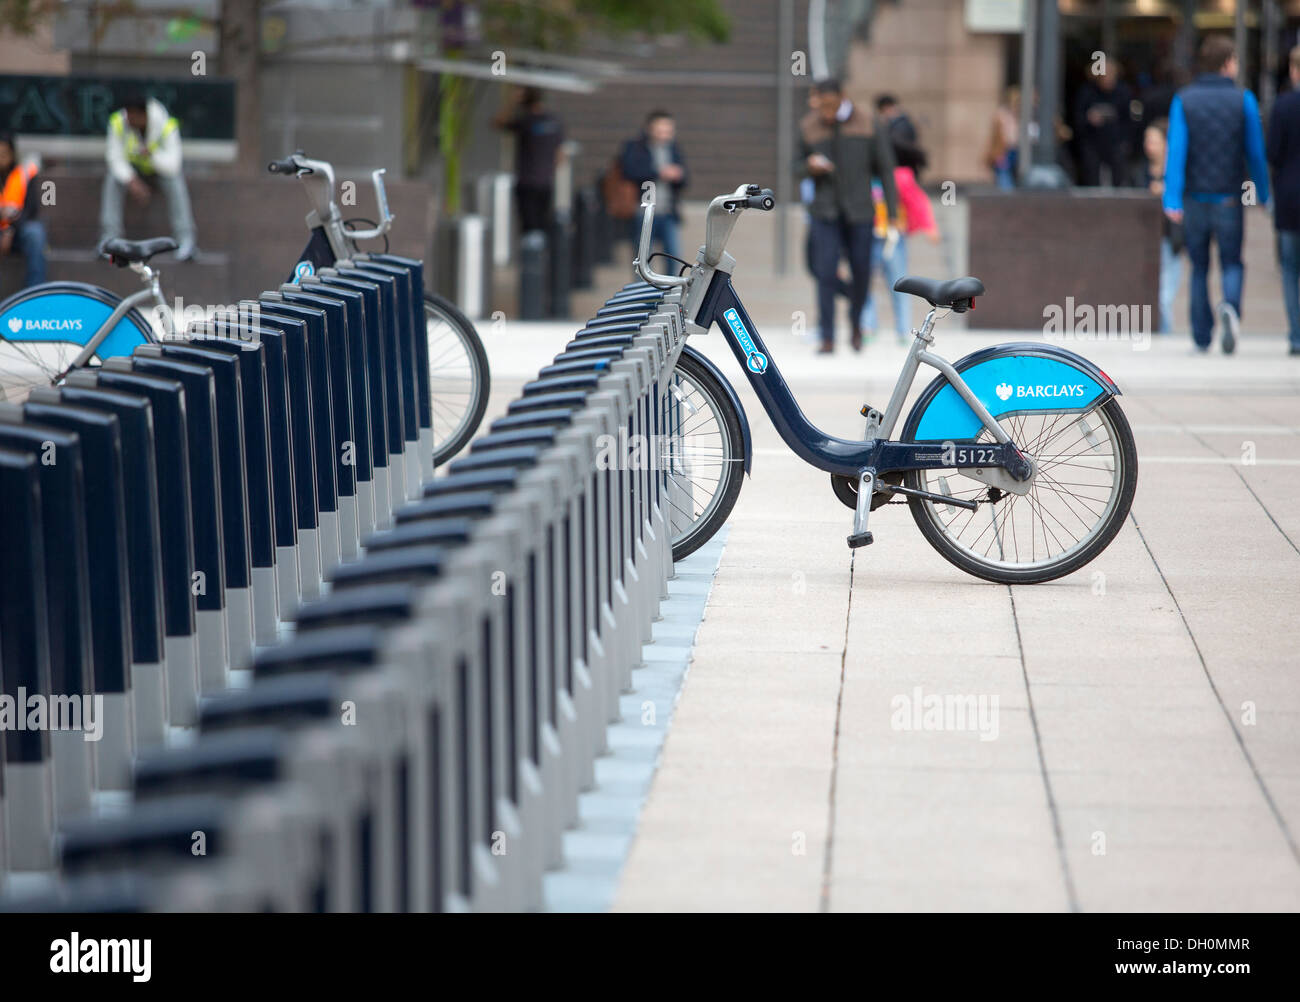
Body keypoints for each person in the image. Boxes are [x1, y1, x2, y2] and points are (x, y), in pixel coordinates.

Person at [1164, 35, 1270, 354]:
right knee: (1232, 262)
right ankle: (1231, 308)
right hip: (1228, 198)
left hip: (1194, 198)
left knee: (1199, 267)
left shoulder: (1183, 100)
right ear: (1226, 63)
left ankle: (1201, 335)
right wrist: (1263, 192)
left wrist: (1172, 198)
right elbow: (1255, 153)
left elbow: (1176, 152)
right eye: (1235, 60)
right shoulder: (1244, 99)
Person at [798, 78, 898, 354]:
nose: (825, 111)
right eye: (820, 105)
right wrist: (809, 166)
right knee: (824, 272)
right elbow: (794, 166)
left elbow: (886, 168)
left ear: (841, 97)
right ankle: (827, 336)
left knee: (862, 271)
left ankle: (856, 325)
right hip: (825, 211)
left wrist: (892, 213)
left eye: (829, 104)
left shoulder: (868, 122)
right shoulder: (809, 125)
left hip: (860, 210)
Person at [100, 92, 197, 260]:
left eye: (133, 116)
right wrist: (131, 180)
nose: (128, 120)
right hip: (132, 171)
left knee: (176, 182)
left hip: (159, 171)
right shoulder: (118, 122)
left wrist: (151, 156)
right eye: (127, 114)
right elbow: (114, 158)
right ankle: (109, 240)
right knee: (112, 179)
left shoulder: (166, 124)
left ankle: (186, 240)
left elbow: (173, 165)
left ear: (143, 115)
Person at [493, 86, 565, 235]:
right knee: (542, 226)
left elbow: (497, 123)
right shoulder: (554, 122)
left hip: (527, 182)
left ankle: (531, 247)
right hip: (546, 182)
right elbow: (560, 157)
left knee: (529, 227)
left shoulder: (525, 122)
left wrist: (511, 102)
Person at [619, 110, 688, 261]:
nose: (665, 134)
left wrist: (677, 175)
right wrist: (659, 173)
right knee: (642, 256)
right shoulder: (636, 147)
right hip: (643, 211)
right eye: (660, 130)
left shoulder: (673, 149)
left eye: (668, 130)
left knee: (673, 255)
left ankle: (670, 279)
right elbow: (629, 171)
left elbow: (685, 179)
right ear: (650, 128)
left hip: (668, 210)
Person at [1267, 45, 1300, 356]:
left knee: (1290, 269)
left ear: (1293, 70)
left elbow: (1273, 153)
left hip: (1290, 198)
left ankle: (1296, 336)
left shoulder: (1283, 105)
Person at [1143, 119, 1182, 335]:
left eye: (1154, 141)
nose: (1149, 146)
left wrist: (1165, 192)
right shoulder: (1140, 171)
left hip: (1170, 238)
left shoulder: (1176, 174)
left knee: (1164, 296)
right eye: (1147, 140)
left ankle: (1164, 334)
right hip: (1144, 241)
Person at [1074, 57, 1135, 187]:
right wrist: (1089, 119)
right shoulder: (1087, 92)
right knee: (1092, 177)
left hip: (1115, 142)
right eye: (1104, 75)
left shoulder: (1123, 92)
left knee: (1119, 177)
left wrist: (1126, 142)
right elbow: (1078, 118)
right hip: (1093, 142)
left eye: (1111, 74)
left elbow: (1128, 120)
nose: (1108, 79)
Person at [0, 133, 46, 288]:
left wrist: (10, 230)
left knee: (35, 232)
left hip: (18, 232)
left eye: (4, 154)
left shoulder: (25, 174)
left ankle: (35, 290)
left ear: (12, 154)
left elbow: (31, 209)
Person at [875, 93, 927, 181]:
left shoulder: (899, 125)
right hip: (904, 169)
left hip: (902, 169)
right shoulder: (901, 123)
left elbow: (900, 146)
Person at [984, 87, 1020, 190]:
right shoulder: (1001, 115)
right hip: (1004, 151)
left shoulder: (1019, 115)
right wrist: (998, 153)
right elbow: (996, 136)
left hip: (1016, 150)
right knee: (1005, 180)